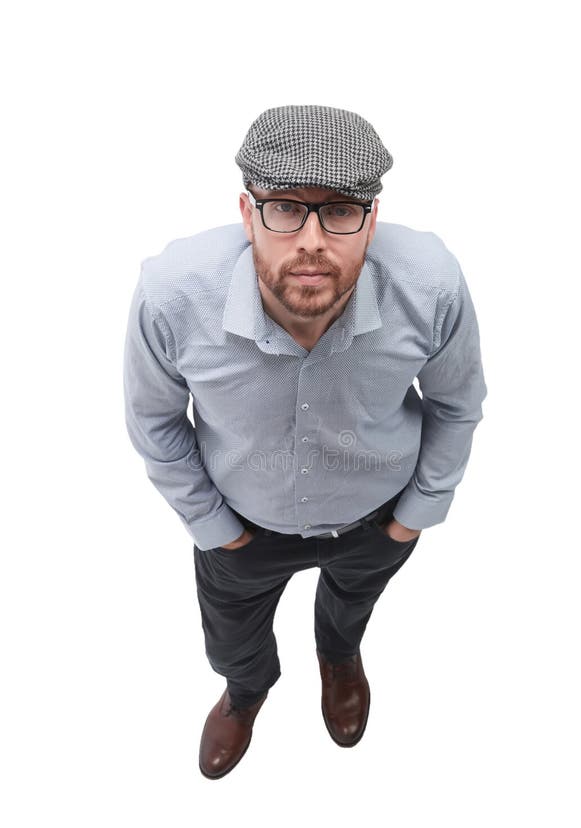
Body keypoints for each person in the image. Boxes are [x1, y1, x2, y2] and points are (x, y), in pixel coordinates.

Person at [122, 104, 487, 780]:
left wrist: (412, 519)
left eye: (342, 210)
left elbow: (457, 402)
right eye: (286, 208)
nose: (312, 239)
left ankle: (339, 655)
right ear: (246, 211)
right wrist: (216, 530)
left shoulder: (430, 282)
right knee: (232, 638)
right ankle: (246, 690)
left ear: (372, 219)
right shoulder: (172, 294)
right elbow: (155, 422)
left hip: (377, 516)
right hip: (242, 527)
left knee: (353, 604)